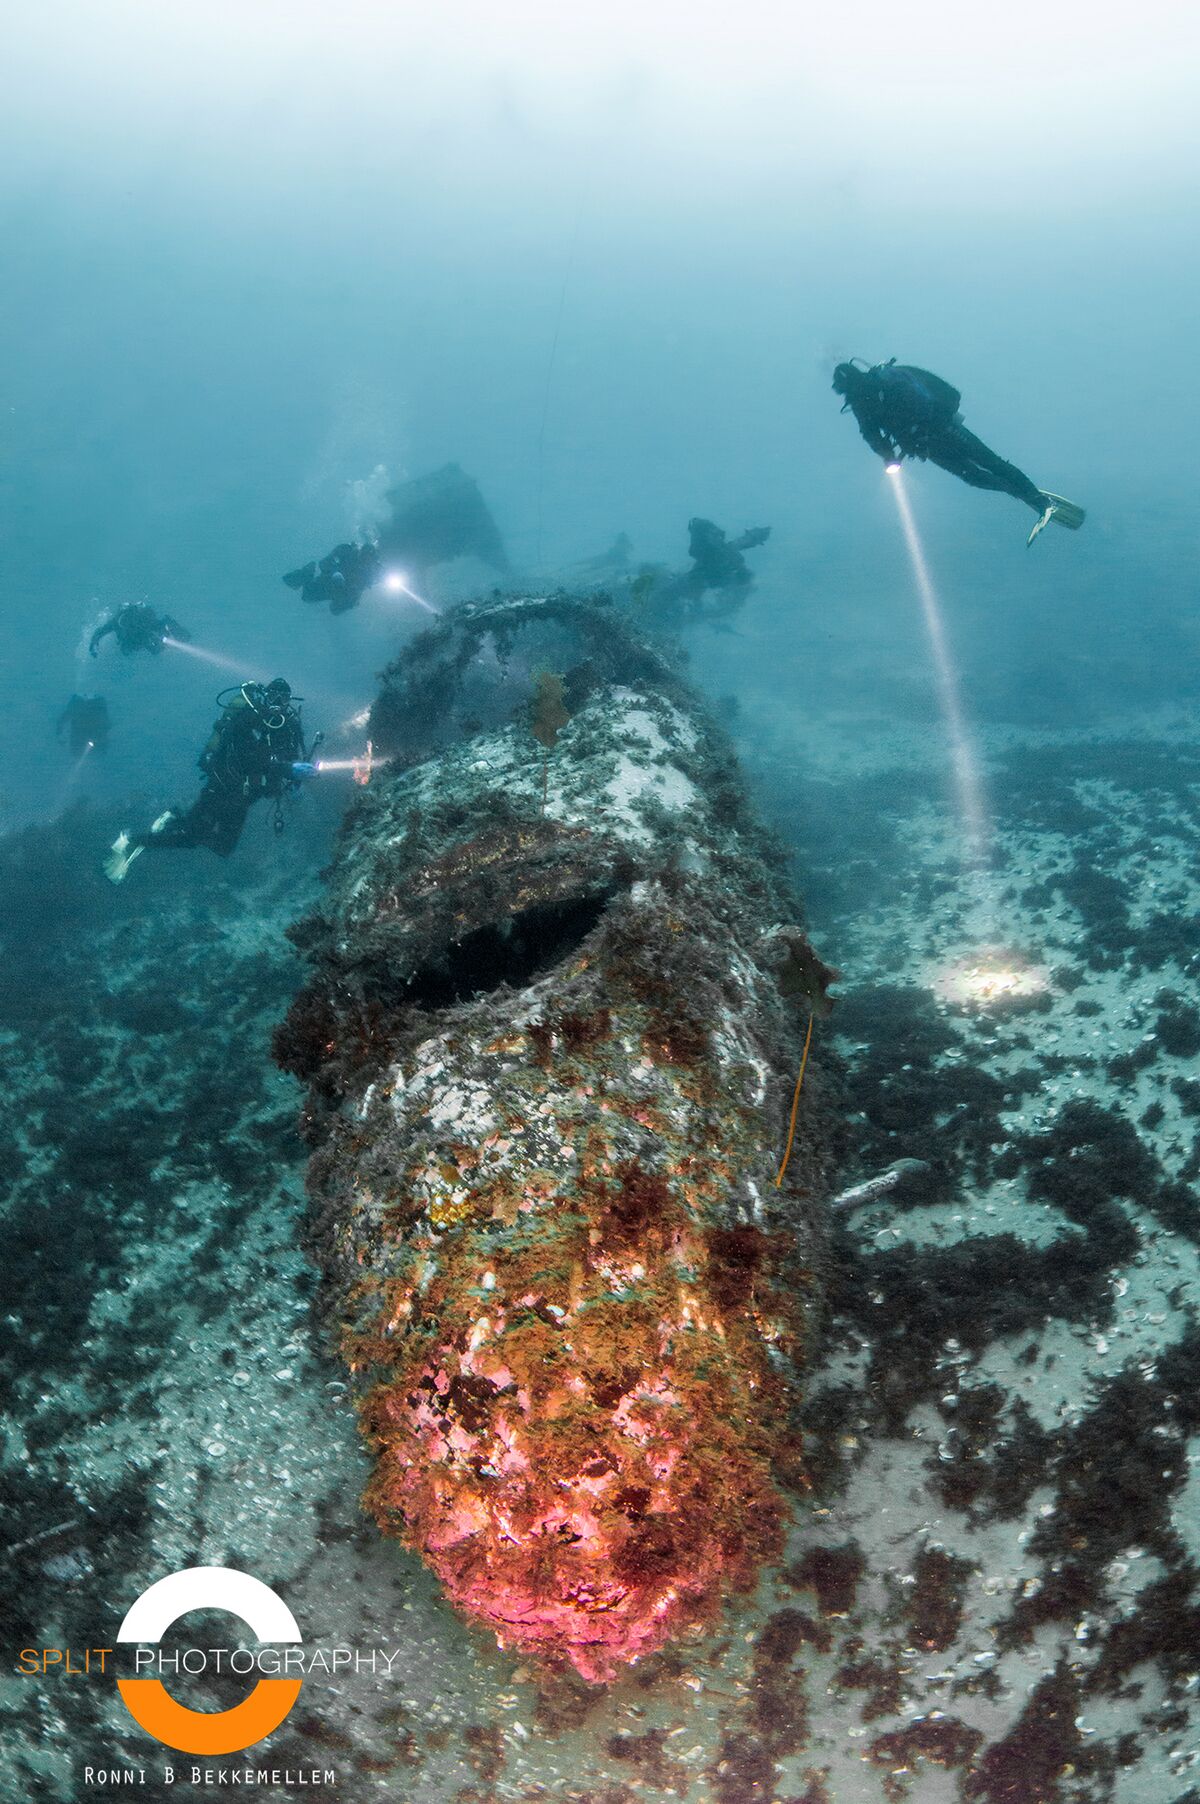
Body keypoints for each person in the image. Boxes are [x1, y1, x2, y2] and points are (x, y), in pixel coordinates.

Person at [831, 359, 1085, 545]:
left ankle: (1038, 501)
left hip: (942, 431)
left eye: (847, 391)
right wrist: (887, 455)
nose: (849, 397)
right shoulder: (862, 404)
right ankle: (1031, 496)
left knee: (989, 463)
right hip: (928, 445)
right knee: (975, 476)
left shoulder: (888, 382)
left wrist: (911, 438)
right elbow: (871, 434)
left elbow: (923, 403)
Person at [105, 679, 319, 881]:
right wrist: (287, 769)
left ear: (289, 701)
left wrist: (293, 783)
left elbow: (282, 768)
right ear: (265, 697)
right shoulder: (247, 719)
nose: (277, 704)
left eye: (283, 699)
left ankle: (178, 819)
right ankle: (130, 839)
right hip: (222, 787)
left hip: (243, 799)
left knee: (223, 848)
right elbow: (250, 759)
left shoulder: (289, 728)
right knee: (189, 838)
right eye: (273, 697)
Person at [283, 463, 508, 614]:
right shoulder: (341, 582)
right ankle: (304, 578)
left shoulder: (339, 564)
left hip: (383, 555)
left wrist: (347, 568)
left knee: (404, 565)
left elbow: (350, 555)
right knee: (407, 569)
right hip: (381, 561)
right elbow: (343, 603)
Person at [283, 541, 382, 613]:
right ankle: (305, 573)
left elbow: (374, 581)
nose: (364, 562)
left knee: (337, 610)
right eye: (363, 556)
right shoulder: (346, 552)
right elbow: (324, 563)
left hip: (343, 592)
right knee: (308, 595)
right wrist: (335, 573)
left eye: (369, 560)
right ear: (360, 552)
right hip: (328, 582)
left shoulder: (373, 570)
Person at [89, 602, 191, 657]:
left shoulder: (142, 618)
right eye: (124, 622)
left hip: (144, 633)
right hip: (136, 638)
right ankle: (169, 642)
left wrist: (166, 629)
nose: (128, 624)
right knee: (128, 651)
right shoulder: (115, 623)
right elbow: (100, 632)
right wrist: (94, 643)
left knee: (155, 647)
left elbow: (157, 625)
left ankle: (173, 638)